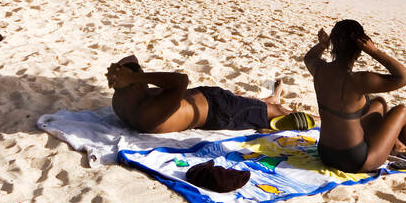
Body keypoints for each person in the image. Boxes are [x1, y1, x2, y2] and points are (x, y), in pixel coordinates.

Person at [302, 20, 406, 171]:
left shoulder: (320, 70)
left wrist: (323, 44)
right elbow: (405, 77)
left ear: (334, 44)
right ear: (360, 48)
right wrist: (374, 51)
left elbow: (309, 58)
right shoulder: (358, 80)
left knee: (379, 103)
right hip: (355, 160)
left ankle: (393, 143)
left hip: (325, 153)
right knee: (401, 111)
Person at [106, 55, 292, 133]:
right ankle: (320, 118)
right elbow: (181, 81)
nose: (145, 80)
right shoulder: (147, 113)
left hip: (210, 97)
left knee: (252, 102)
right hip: (221, 111)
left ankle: (269, 99)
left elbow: (131, 60)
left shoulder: (121, 100)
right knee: (278, 111)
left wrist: (126, 76)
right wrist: (134, 78)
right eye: (140, 79)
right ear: (134, 85)